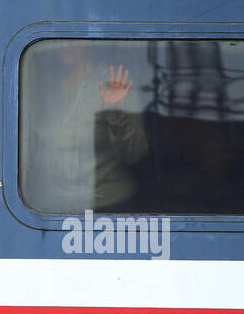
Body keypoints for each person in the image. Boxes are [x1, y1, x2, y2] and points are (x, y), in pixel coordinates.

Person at [21, 45, 149, 213]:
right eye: (61, 42)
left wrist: (117, 111)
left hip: (106, 204)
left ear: (89, 45)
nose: (66, 48)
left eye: (73, 41)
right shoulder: (45, 83)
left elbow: (133, 154)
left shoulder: (114, 81)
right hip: (51, 204)